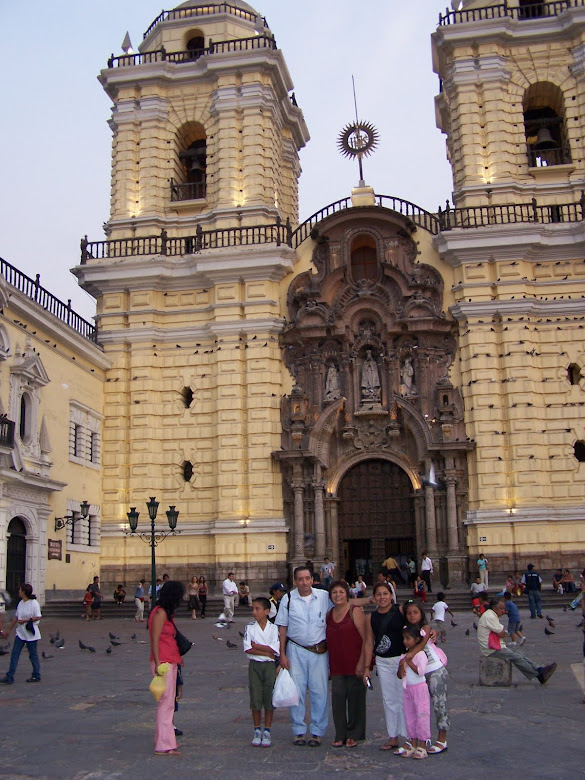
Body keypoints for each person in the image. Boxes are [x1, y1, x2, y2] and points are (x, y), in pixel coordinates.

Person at [276, 566, 332, 747]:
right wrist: (282, 654)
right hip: (296, 650)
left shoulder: (324, 597)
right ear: (295, 581)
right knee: (296, 691)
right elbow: (282, 627)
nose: (304, 582)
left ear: (312, 579)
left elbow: (342, 607)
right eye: (300, 579)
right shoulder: (288, 598)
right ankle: (298, 730)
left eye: (307, 578)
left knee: (320, 691)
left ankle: (317, 730)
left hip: (319, 651)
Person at [362, 582, 407, 752]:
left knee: (404, 698)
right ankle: (393, 736)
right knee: (389, 699)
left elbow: (418, 623)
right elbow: (368, 643)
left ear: (391, 595)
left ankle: (410, 736)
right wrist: (367, 667)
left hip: (401, 660)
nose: (382, 597)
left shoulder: (401, 611)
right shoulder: (371, 618)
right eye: (379, 594)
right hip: (382, 661)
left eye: (385, 594)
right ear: (374, 597)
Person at [404, 601, 449, 755]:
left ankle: (442, 738)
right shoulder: (407, 631)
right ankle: (421, 738)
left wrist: (409, 655)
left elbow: (422, 645)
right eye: (409, 613)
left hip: (434, 669)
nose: (412, 615)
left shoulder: (426, 628)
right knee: (419, 707)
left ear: (421, 614)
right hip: (418, 674)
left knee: (439, 703)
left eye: (415, 612)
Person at [477, 598, 556, 685]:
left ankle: (539, 669)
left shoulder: (491, 615)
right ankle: (538, 675)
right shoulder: (490, 617)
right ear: (495, 608)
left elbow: (502, 633)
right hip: (491, 649)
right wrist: (502, 632)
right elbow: (502, 634)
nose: (504, 611)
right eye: (502, 609)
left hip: (496, 645)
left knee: (518, 653)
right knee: (516, 657)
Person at [326, 581, 366, 748]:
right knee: (338, 700)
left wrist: (362, 664)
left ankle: (354, 734)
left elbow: (366, 639)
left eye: (341, 592)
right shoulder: (329, 614)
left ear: (347, 593)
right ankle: (340, 734)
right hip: (337, 664)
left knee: (356, 700)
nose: (338, 595)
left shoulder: (354, 611)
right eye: (334, 592)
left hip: (354, 662)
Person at [148, 580, 185, 755]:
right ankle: (164, 745)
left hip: (169, 660)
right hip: (163, 662)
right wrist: (157, 663)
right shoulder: (160, 613)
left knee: (167, 703)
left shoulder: (163, 612)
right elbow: (155, 639)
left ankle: (163, 740)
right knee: (166, 704)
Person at [243, 596, 280, 747]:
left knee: (269, 697)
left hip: (269, 666)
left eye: (257, 609)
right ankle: (257, 729)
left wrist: (258, 647)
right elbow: (248, 648)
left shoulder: (273, 628)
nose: (254, 612)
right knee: (255, 697)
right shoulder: (250, 627)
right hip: (255, 665)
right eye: (253, 609)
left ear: (266, 611)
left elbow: (275, 649)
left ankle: (268, 730)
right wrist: (266, 652)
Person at [397, 627, 431, 759]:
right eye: (404, 639)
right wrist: (401, 666)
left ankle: (422, 744)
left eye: (408, 639)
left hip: (419, 689)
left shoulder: (420, 655)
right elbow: (400, 676)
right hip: (408, 689)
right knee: (410, 716)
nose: (405, 641)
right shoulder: (403, 656)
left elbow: (420, 671)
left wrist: (409, 662)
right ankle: (413, 741)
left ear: (417, 640)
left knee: (421, 715)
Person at [0, 584, 42, 684]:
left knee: (33, 655)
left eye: (20, 590)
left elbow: (38, 617)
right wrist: (8, 630)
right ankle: (10, 676)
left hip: (31, 634)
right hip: (20, 634)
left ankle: (36, 675)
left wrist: (26, 620)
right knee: (14, 654)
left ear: (24, 592)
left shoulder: (34, 603)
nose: (18, 592)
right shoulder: (21, 603)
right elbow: (16, 617)